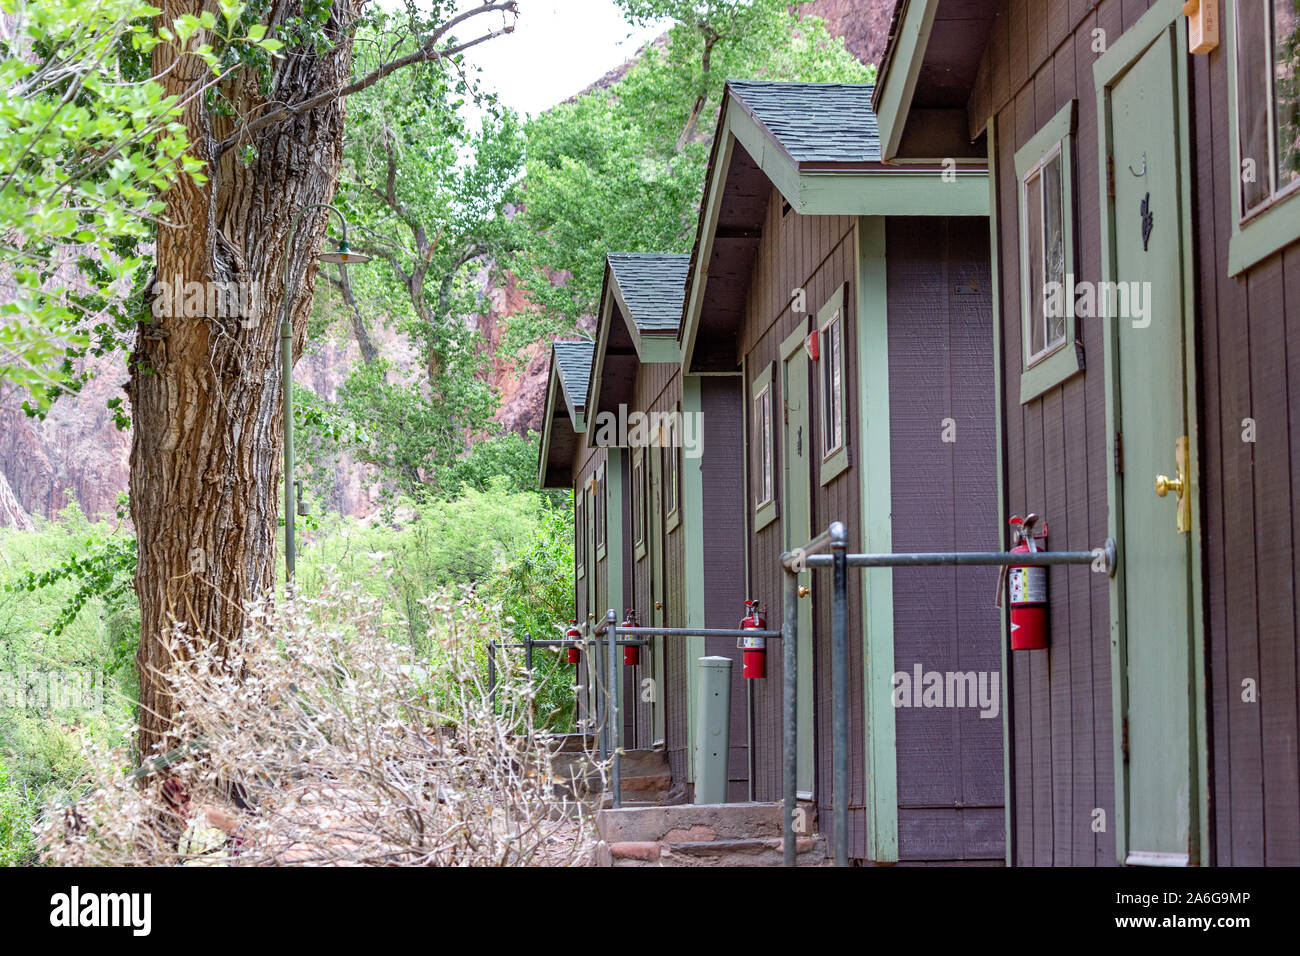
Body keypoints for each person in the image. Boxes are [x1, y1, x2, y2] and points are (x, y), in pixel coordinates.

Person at [161, 777, 245, 865]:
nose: (181, 809)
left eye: (184, 802)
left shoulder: (206, 813)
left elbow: (242, 829)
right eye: (175, 806)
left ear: (191, 796)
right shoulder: (184, 824)